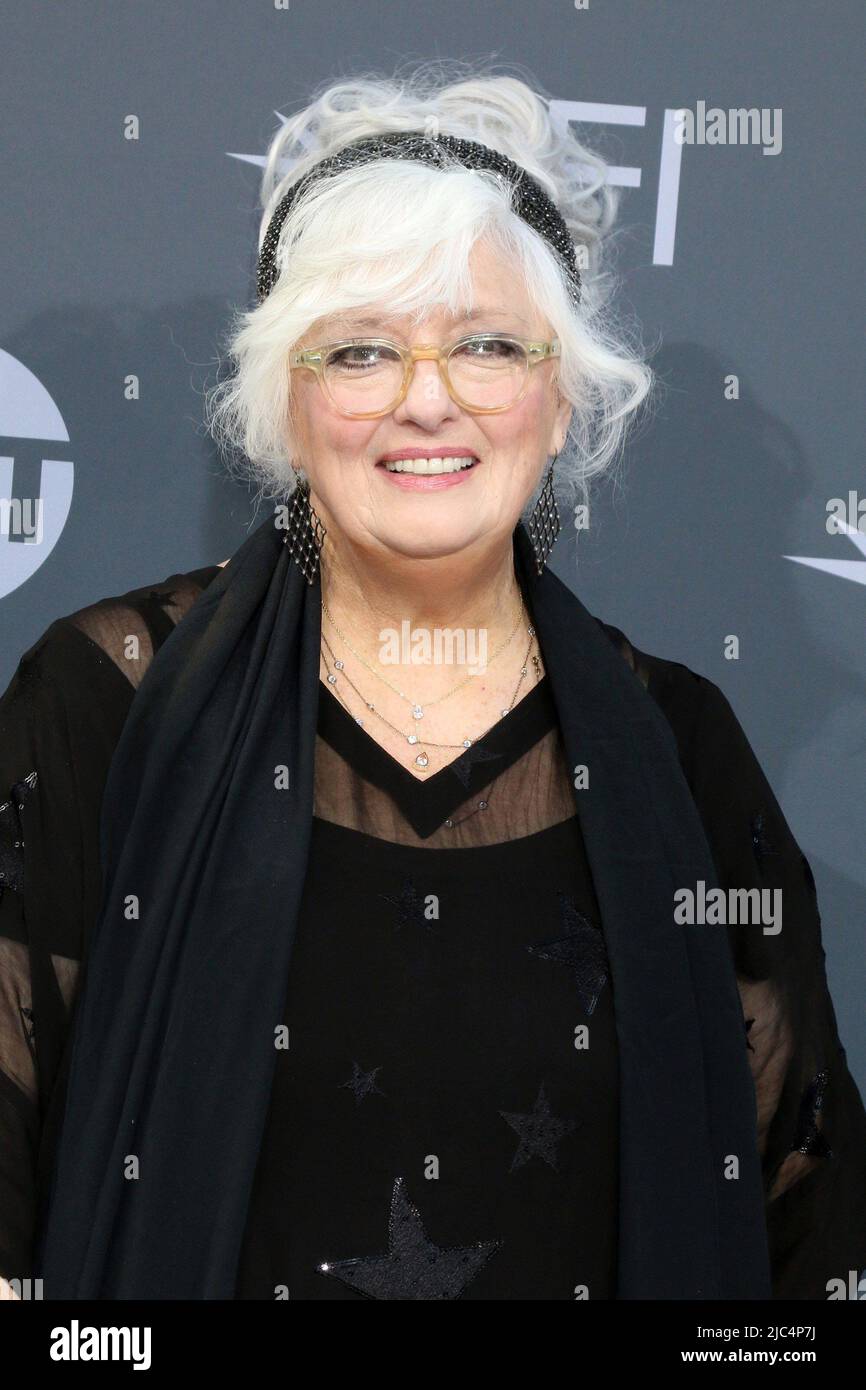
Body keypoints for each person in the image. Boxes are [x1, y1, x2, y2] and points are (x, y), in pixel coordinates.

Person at [1, 64, 864, 1302]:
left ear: (559, 399)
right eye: (358, 349)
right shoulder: (103, 704)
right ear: (281, 406)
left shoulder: (678, 745)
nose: (426, 399)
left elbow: (802, 1210)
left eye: (487, 344)